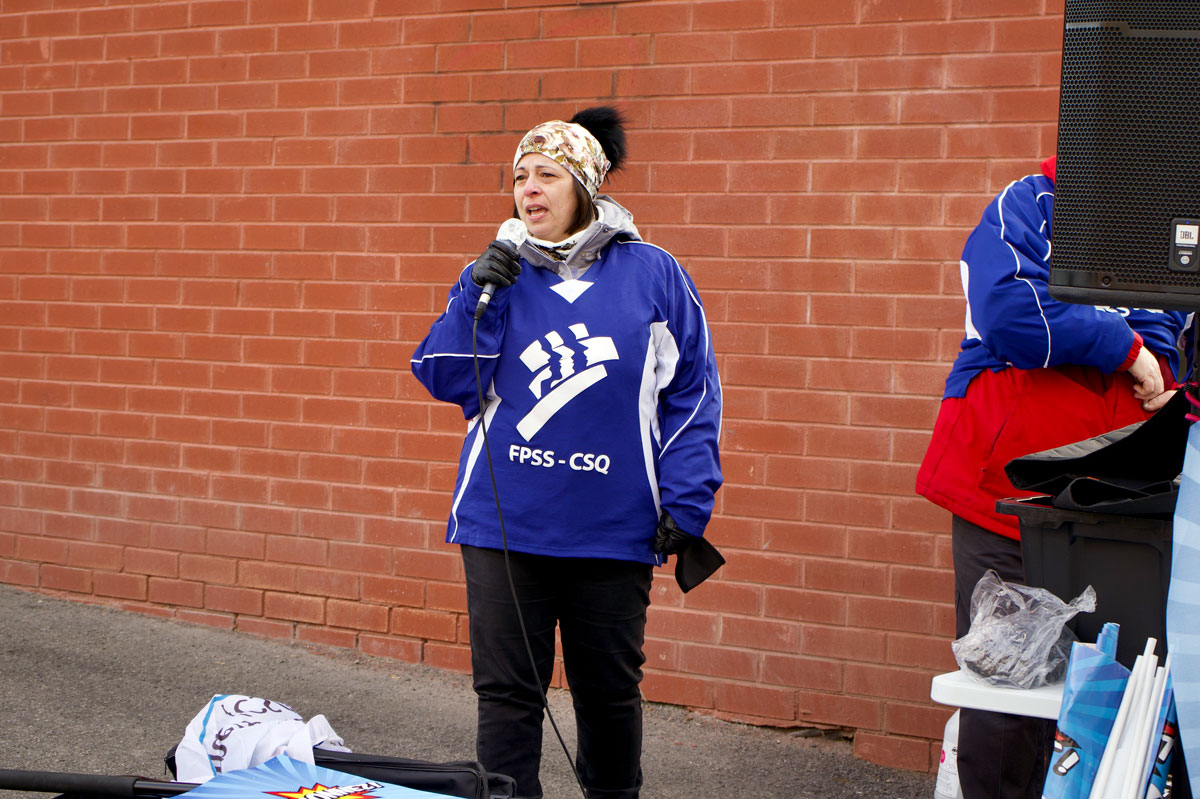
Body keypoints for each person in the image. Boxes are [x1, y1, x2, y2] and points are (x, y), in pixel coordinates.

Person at [410, 107, 723, 799]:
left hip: (614, 528)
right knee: (508, 696)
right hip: (504, 527)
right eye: (519, 176)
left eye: (546, 174)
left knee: (609, 697)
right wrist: (474, 298)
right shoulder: (492, 275)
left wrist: (688, 500)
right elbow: (443, 374)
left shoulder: (655, 274)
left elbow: (693, 394)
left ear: (584, 184)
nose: (529, 189)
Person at [916, 156, 1188, 799]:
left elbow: (1170, 327)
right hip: (1005, 498)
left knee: (1118, 690)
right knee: (1008, 689)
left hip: (1124, 503)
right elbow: (1013, 311)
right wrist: (1126, 350)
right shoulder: (1033, 200)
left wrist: (1153, 354)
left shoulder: (1169, 229)